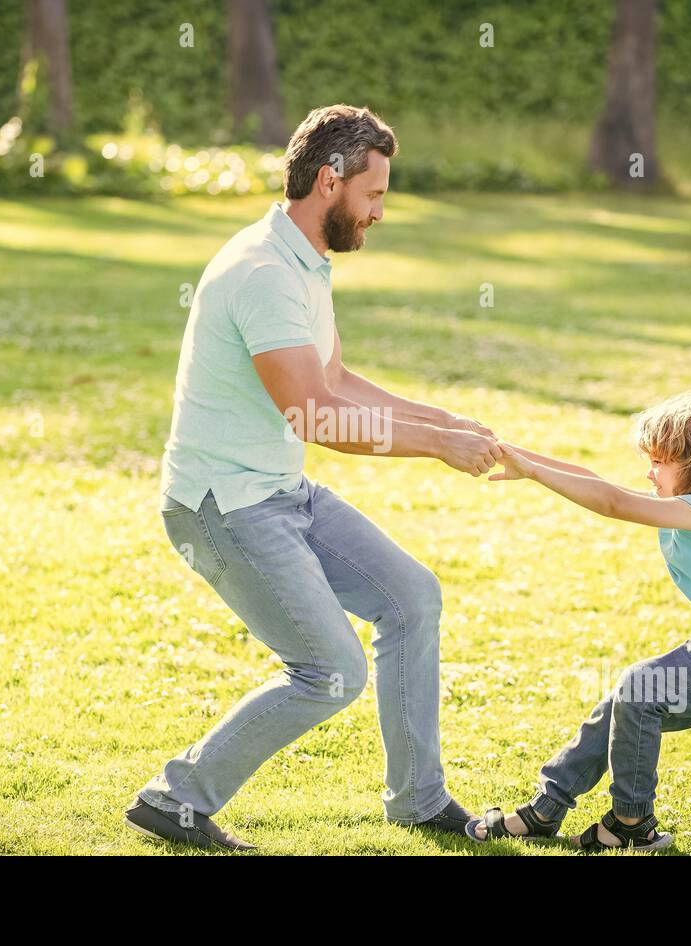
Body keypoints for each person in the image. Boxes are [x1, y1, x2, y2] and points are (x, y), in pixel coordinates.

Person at [125, 104, 503, 850]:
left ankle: (419, 800)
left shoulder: (304, 260)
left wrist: (445, 421)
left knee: (411, 598)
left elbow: (333, 377)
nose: (380, 212)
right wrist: (434, 446)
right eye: (375, 194)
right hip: (221, 507)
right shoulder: (262, 272)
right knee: (329, 670)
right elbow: (317, 418)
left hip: (278, 492)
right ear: (331, 181)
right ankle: (176, 798)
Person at [467, 392, 691, 851]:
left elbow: (612, 501)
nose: (649, 472)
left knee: (641, 688)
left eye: (659, 461)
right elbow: (595, 481)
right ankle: (544, 811)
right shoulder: (688, 506)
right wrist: (514, 453)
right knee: (626, 699)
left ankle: (631, 825)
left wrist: (533, 470)